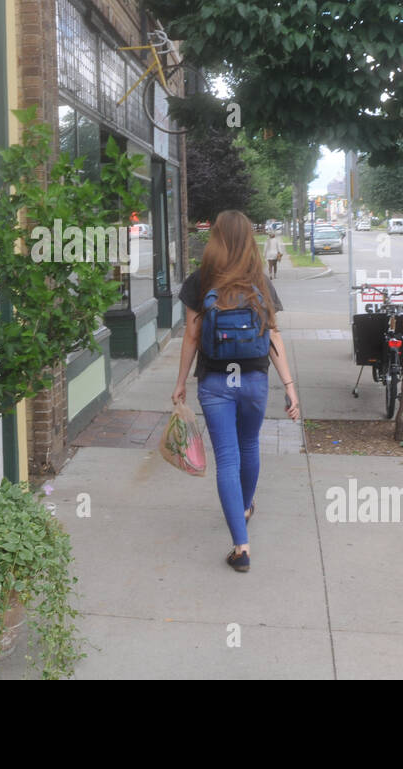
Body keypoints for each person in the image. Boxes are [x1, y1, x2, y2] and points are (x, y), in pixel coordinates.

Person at [172, 210, 300, 573]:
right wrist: (289, 387)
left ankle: (241, 548)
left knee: (227, 459)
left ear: (215, 239)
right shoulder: (259, 281)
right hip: (254, 380)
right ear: (248, 240)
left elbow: (191, 336)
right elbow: (274, 336)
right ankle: (243, 508)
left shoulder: (200, 280)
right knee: (249, 446)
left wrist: (180, 382)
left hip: (215, 381)